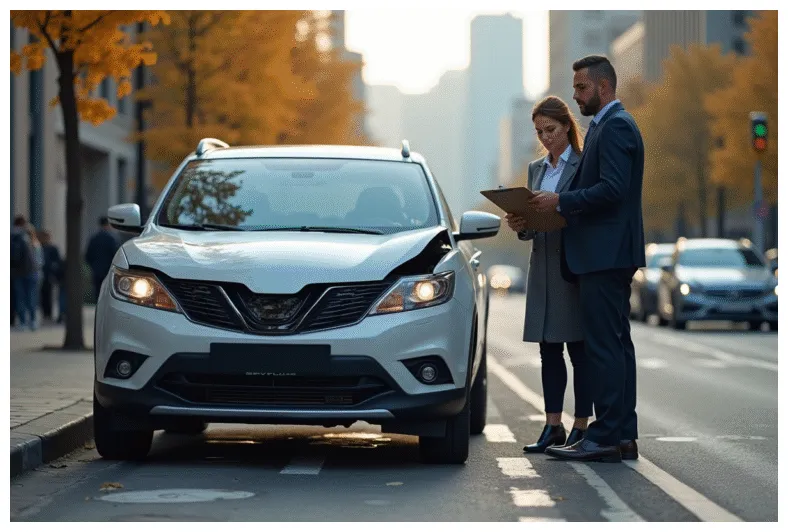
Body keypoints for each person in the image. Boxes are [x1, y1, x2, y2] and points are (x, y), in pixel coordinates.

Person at [529, 55, 645, 463]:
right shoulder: (609, 126)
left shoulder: (614, 127)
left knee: (604, 348)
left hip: (604, 254)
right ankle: (622, 434)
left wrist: (561, 200)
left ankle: (605, 436)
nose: (575, 95)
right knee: (616, 345)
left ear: (603, 87)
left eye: (580, 88)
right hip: (607, 253)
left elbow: (613, 190)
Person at [506, 96, 592, 454]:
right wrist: (520, 224)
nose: (545, 137)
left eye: (551, 130)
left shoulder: (585, 163)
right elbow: (530, 225)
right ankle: (552, 425)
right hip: (542, 265)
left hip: (571, 265)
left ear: (567, 126)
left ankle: (582, 426)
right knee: (548, 349)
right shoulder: (536, 169)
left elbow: (590, 209)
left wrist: (561, 208)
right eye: (539, 131)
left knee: (578, 349)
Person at [85, 216, 120, 301]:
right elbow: (116, 255)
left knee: (98, 293)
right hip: (108, 270)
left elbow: (87, 256)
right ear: (108, 225)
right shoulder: (112, 239)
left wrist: (93, 266)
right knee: (108, 295)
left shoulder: (94, 239)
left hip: (96, 270)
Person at [11, 215, 36, 330]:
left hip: (19, 272)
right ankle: (32, 320)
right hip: (29, 271)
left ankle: (23, 321)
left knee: (21, 297)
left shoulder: (15, 237)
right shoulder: (26, 237)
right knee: (30, 297)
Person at [39, 230, 64, 322]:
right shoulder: (40, 247)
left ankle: (48, 313)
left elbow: (57, 261)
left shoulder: (52, 248)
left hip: (49, 274)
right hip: (42, 273)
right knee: (43, 295)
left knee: (49, 294)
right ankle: (45, 313)